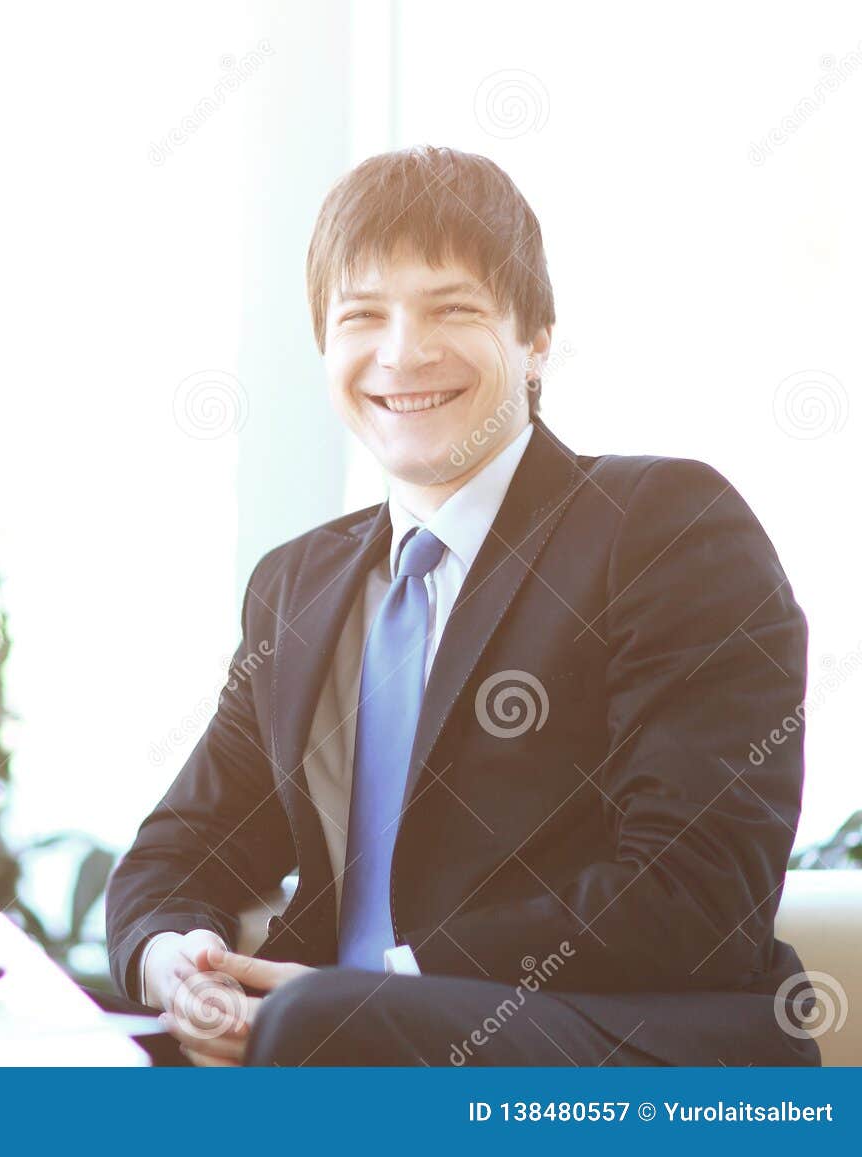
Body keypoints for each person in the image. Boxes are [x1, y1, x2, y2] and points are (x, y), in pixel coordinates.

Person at [104, 146, 818, 1067]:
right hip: (325, 1040)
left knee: (319, 1026)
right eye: (363, 316)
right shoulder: (299, 585)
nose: (403, 352)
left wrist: (388, 985)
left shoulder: (663, 527)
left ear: (537, 339)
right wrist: (180, 967)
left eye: (453, 309)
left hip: (622, 1051)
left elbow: (695, 891)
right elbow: (177, 854)